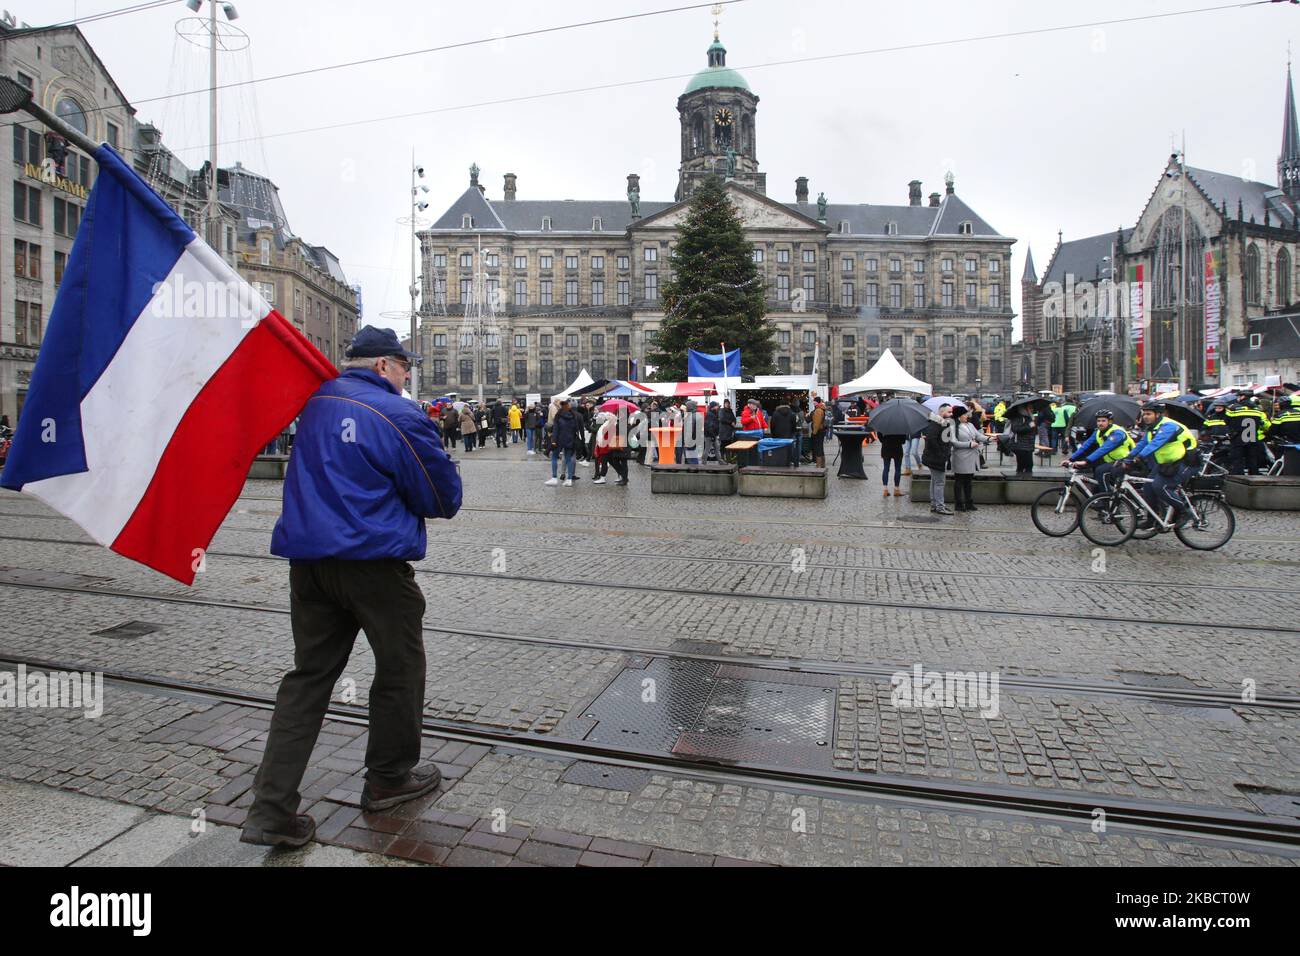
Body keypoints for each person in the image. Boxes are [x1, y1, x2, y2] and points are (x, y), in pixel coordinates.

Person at [241, 326, 462, 848]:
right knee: (399, 668)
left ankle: (270, 809)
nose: (408, 375)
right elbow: (440, 496)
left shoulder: (312, 403)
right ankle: (388, 778)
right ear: (384, 365)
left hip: (309, 563)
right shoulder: (399, 414)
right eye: (405, 365)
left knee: (308, 679)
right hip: (374, 565)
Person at [1118, 401, 1199, 528]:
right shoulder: (1152, 428)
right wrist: (1127, 458)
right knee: (1148, 487)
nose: (1145, 417)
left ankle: (1185, 511)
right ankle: (1153, 518)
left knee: (1160, 486)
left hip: (1186, 461)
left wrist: (1139, 458)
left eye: (1149, 414)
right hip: (1168, 463)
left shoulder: (1168, 426)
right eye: (1144, 414)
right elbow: (1142, 444)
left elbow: (1155, 444)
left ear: (1158, 414)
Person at [1066, 409, 1133, 491]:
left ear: (1110, 421)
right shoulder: (1098, 432)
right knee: (1083, 467)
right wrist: (1071, 459)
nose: (1100, 423)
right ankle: (1096, 494)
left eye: (1103, 421)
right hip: (1110, 460)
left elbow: (1104, 449)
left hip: (1125, 461)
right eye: (1098, 421)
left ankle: (1106, 499)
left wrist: (1087, 461)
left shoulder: (1117, 433)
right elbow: (1086, 446)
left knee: (1101, 471)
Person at [950, 406, 992, 512]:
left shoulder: (970, 425)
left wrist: (988, 438)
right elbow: (954, 442)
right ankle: (959, 504)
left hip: (971, 457)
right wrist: (968, 444)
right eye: (964, 414)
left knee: (968, 481)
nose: (967, 416)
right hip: (960, 457)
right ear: (959, 416)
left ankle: (969, 503)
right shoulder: (953, 426)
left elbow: (978, 436)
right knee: (959, 481)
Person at [921, 403, 956, 515]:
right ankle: (940, 506)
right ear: (941, 412)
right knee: (940, 483)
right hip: (936, 458)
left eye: (951, 412)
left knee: (935, 481)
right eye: (949, 412)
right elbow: (931, 439)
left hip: (935, 457)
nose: (951, 414)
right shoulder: (937, 423)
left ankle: (934, 504)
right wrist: (941, 453)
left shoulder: (942, 423)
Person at [1224, 395, 1271, 475]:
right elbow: (1263, 424)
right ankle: (1253, 476)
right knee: (1252, 459)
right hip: (1252, 437)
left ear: (1242, 397)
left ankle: (1238, 477)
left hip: (1239, 436)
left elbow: (1226, 420)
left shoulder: (1233, 408)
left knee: (1237, 459)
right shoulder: (1258, 409)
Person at [546, 398, 580, 486]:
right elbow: (576, 429)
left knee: (554, 457)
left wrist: (553, 441)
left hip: (559, 440)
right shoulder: (573, 416)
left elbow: (556, 429)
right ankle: (569, 479)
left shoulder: (558, 415)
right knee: (568, 459)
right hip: (570, 440)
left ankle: (554, 478)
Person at [593, 411, 630, 485]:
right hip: (615, 445)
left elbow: (621, 434)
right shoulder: (614, 423)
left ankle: (624, 478)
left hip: (620, 446)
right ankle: (623, 477)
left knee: (621, 463)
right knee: (615, 462)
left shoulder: (621, 424)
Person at [1007, 408, 1037, 474]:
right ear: (1025, 409)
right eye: (1029, 407)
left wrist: (1034, 424)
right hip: (1020, 445)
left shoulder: (1030, 417)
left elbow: (1033, 430)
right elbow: (1015, 429)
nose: (1031, 409)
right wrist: (1030, 426)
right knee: (1022, 466)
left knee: (1029, 466)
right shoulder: (1018, 417)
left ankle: (1027, 482)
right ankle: (1020, 481)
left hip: (1028, 444)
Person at [768, 402, 797, 467]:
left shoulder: (775, 413)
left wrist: (773, 435)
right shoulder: (792, 413)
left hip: (777, 436)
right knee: (789, 451)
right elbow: (794, 426)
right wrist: (792, 433)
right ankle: (788, 464)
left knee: (779, 451)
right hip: (789, 436)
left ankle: (779, 463)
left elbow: (772, 425)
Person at [879, 432, 906, 497]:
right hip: (897, 448)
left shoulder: (883, 423)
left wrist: (885, 440)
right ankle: (896, 490)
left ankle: (885, 489)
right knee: (897, 469)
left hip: (886, 448)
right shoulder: (900, 426)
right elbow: (903, 441)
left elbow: (880, 436)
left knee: (886, 468)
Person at [810, 395, 827, 468]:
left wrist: (814, 432)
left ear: (816, 402)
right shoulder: (821, 409)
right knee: (820, 448)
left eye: (814, 402)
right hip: (821, 431)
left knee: (818, 448)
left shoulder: (818, 410)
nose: (813, 403)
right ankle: (822, 464)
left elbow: (816, 423)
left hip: (818, 432)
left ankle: (818, 465)